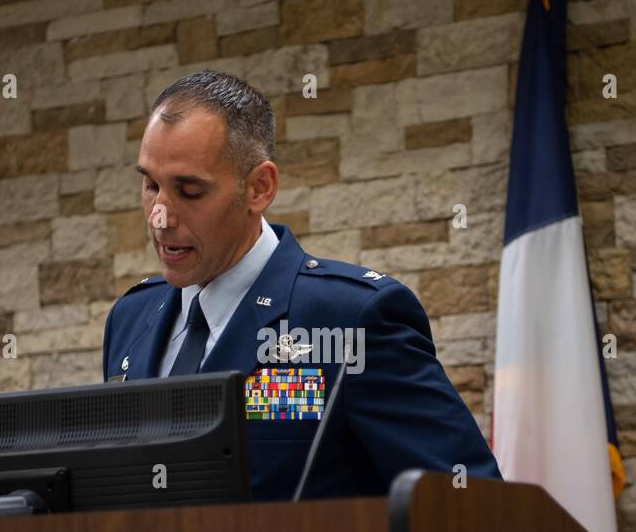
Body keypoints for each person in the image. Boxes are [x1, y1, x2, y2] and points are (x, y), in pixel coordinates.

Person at [102, 69, 501, 501]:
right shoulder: (130, 320)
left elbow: (470, 503)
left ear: (259, 188)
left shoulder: (350, 321)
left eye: (190, 191)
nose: (160, 217)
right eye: (150, 185)